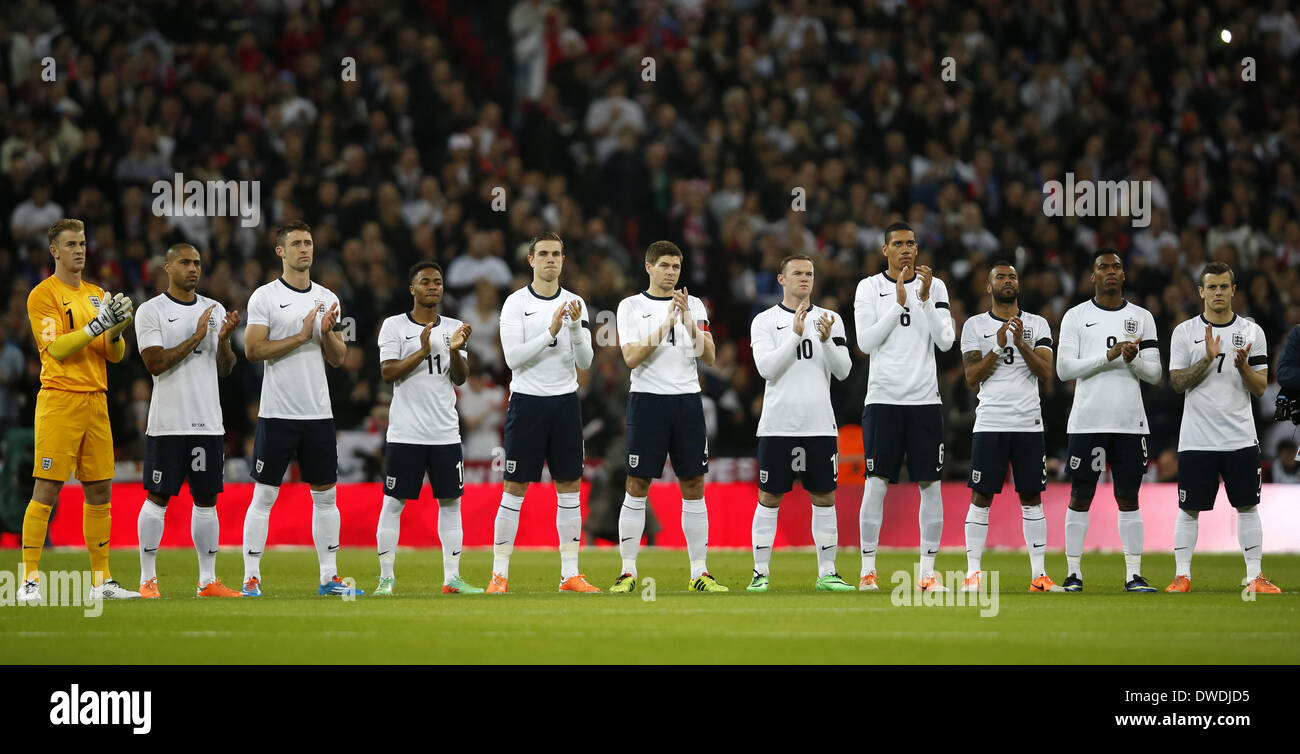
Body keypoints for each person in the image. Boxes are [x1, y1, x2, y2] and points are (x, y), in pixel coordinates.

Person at [19, 218, 138, 603]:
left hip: (96, 399)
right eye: (71, 244)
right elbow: (56, 348)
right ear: (54, 250)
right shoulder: (42, 295)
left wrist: (117, 330)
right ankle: (29, 580)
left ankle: (101, 580)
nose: (80, 250)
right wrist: (99, 324)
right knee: (48, 487)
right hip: (60, 398)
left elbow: (114, 355)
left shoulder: (95, 294)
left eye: (83, 243)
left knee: (100, 488)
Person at [240, 221, 362, 597]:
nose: (304, 249)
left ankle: (329, 577)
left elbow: (339, 358)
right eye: (296, 244)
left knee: (326, 497)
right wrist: (298, 335)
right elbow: (253, 350)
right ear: (280, 251)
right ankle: (251, 577)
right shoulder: (264, 297)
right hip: (277, 413)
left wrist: (325, 333)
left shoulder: (328, 297)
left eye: (308, 242)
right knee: (264, 495)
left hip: (318, 414)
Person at [488, 232, 600, 593]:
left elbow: (585, 361)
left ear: (563, 261)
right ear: (531, 260)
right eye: (544, 254)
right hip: (527, 402)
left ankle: (570, 574)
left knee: (569, 488)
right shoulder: (515, 304)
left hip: (566, 404)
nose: (551, 259)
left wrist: (573, 329)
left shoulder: (575, 302)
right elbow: (513, 358)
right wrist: (552, 330)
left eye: (556, 254)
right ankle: (499, 575)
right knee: (514, 488)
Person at [612, 240, 725, 592]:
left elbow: (709, 356)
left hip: (687, 400)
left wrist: (688, 320)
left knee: (693, 484)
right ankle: (628, 572)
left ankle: (699, 573)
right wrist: (666, 322)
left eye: (676, 266)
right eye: (664, 265)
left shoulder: (694, 304)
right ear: (648, 267)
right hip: (647, 401)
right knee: (637, 483)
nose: (671, 272)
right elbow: (631, 357)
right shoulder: (631, 305)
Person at [134, 243, 242, 598]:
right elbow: (154, 363)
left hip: (207, 422)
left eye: (197, 263)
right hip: (168, 423)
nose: (193, 268)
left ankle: (207, 580)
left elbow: (225, 369)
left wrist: (223, 341)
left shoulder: (215, 310)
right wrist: (195, 337)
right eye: (185, 262)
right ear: (167, 267)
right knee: (157, 498)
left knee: (207, 499)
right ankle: (147, 579)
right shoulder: (151, 311)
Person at [852, 221, 955, 592]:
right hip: (883, 400)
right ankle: (867, 571)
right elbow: (864, 342)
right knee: (876, 484)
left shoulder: (935, 286)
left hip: (925, 401)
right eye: (898, 243)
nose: (906, 249)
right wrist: (898, 306)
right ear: (885, 251)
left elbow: (946, 342)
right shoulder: (869, 287)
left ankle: (928, 573)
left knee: (931, 486)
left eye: (911, 243)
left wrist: (924, 299)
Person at [1166, 262, 1280, 593]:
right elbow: (1176, 382)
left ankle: (1255, 576)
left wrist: (1243, 366)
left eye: (1223, 287)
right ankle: (1182, 576)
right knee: (1189, 509)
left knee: (1247, 506)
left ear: (1233, 290)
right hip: (1197, 438)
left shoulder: (1252, 333)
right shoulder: (1185, 333)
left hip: (1239, 437)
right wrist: (1205, 359)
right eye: (1211, 287)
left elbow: (1259, 388)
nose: (1217, 292)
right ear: (1201, 292)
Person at [1056, 248, 1162, 592]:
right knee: (1080, 493)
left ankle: (1134, 574)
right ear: (1093, 276)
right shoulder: (1075, 316)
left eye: (1117, 266)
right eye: (1103, 267)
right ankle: (1073, 573)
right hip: (1087, 422)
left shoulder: (1143, 317)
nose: (1111, 271)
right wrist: (1108, 356)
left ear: (1124, 275)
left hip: (1130, 423)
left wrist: (1132, 361)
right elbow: (1063, 370)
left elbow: (1156, 374)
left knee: (1129, 496)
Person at [374, 262, 481, 595]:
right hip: (406, 433)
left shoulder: (454, 327)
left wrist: (454, 350)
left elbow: (461, 377)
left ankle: (452, 578)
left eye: (437, 282)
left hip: (445, 432)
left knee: (451, 504)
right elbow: (388, 373)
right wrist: (423, 350)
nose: (433, 287)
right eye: (425, 282)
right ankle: (386, 578)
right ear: (412, 289)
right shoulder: (393, 326)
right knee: (394, 503)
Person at [747, 254, 854, 592]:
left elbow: (844, 370)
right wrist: (794, 336)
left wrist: (824, 341)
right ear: (781, 279)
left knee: (824, 497)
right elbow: (767, 369)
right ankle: (760, 573)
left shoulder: (830, 319)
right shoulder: (764, 321)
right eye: (797, 273)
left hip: (820, 424)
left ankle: (827, 573)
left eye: (809, 273)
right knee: (769, 496)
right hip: (778, 425)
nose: (805, 278)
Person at [959, 261, 1061, 592]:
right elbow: (972, 377)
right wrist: (999, 344)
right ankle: (973, 573)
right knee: (981, 495)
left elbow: (1046, 373)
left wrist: (1020, 344)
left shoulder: (1037, 323)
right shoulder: (975, 326)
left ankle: (1039, 575)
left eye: (1012, 276)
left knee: (1032, 496)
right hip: (990, 422)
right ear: (989, 287)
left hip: (1029, 423)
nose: (1007, 281)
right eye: (1000, 276)